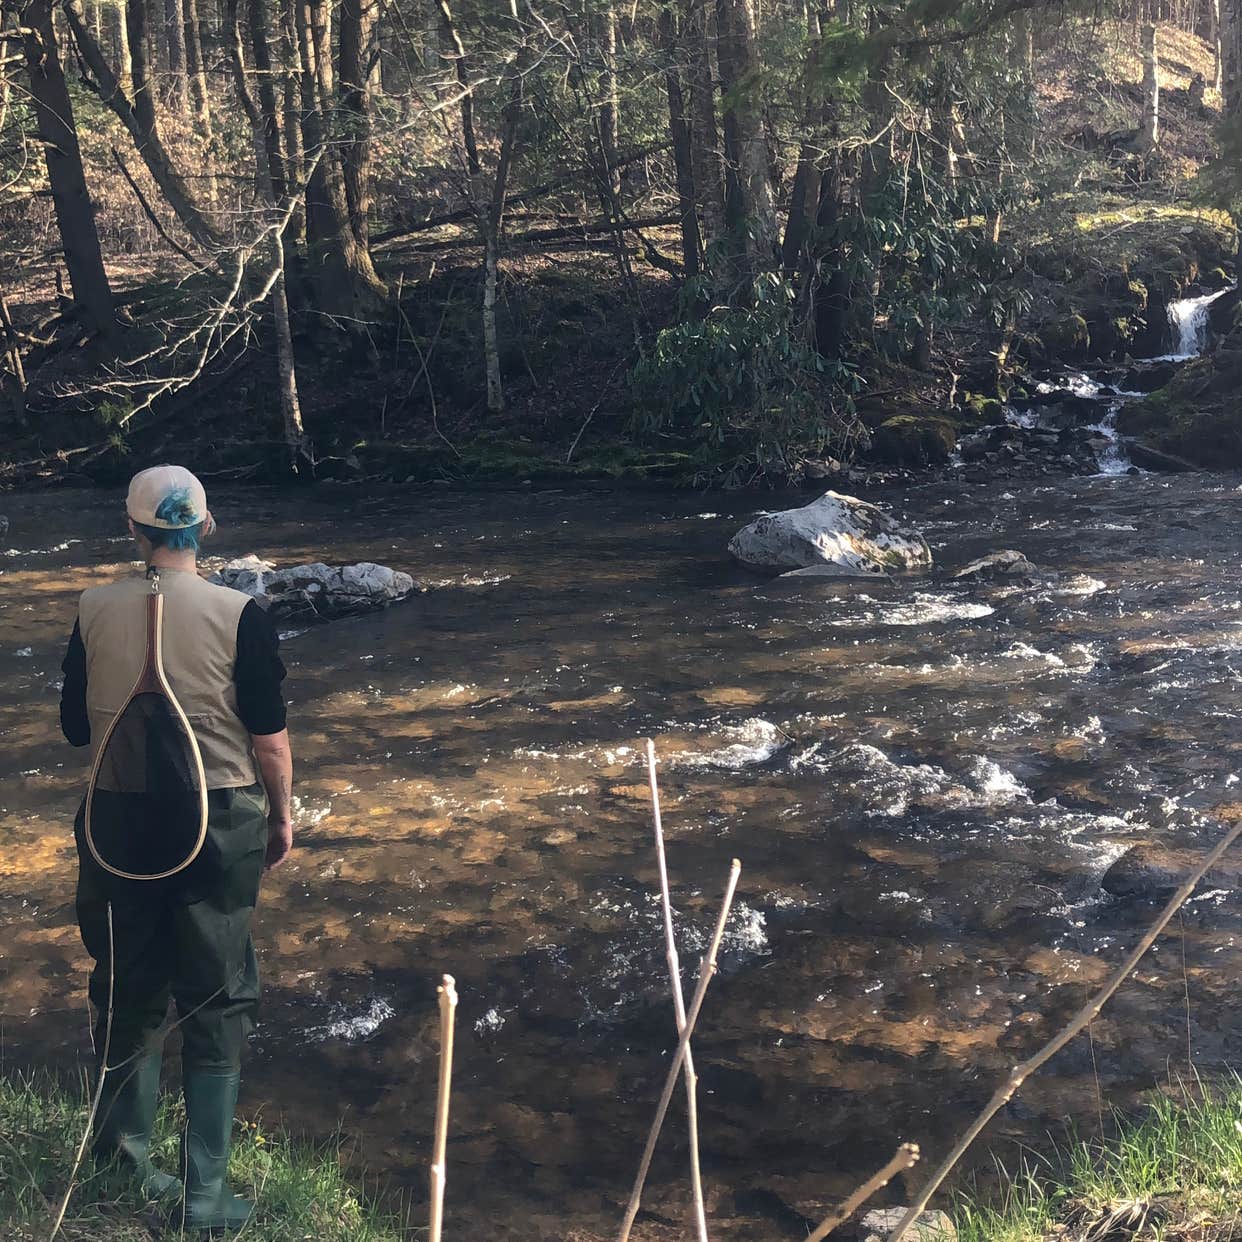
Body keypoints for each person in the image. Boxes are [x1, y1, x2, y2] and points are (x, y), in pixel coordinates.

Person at [59, 464, 294, 1232]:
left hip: (115, 821)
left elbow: (71, 726)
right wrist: (283, 817)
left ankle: (124, 1160)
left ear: (133, 531)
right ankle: (205, 1197)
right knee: (219, 995)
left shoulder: (91, 608)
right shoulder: (241, 613)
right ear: (204, 527)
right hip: (218, 820)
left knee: (126, 981)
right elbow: (269, 738)